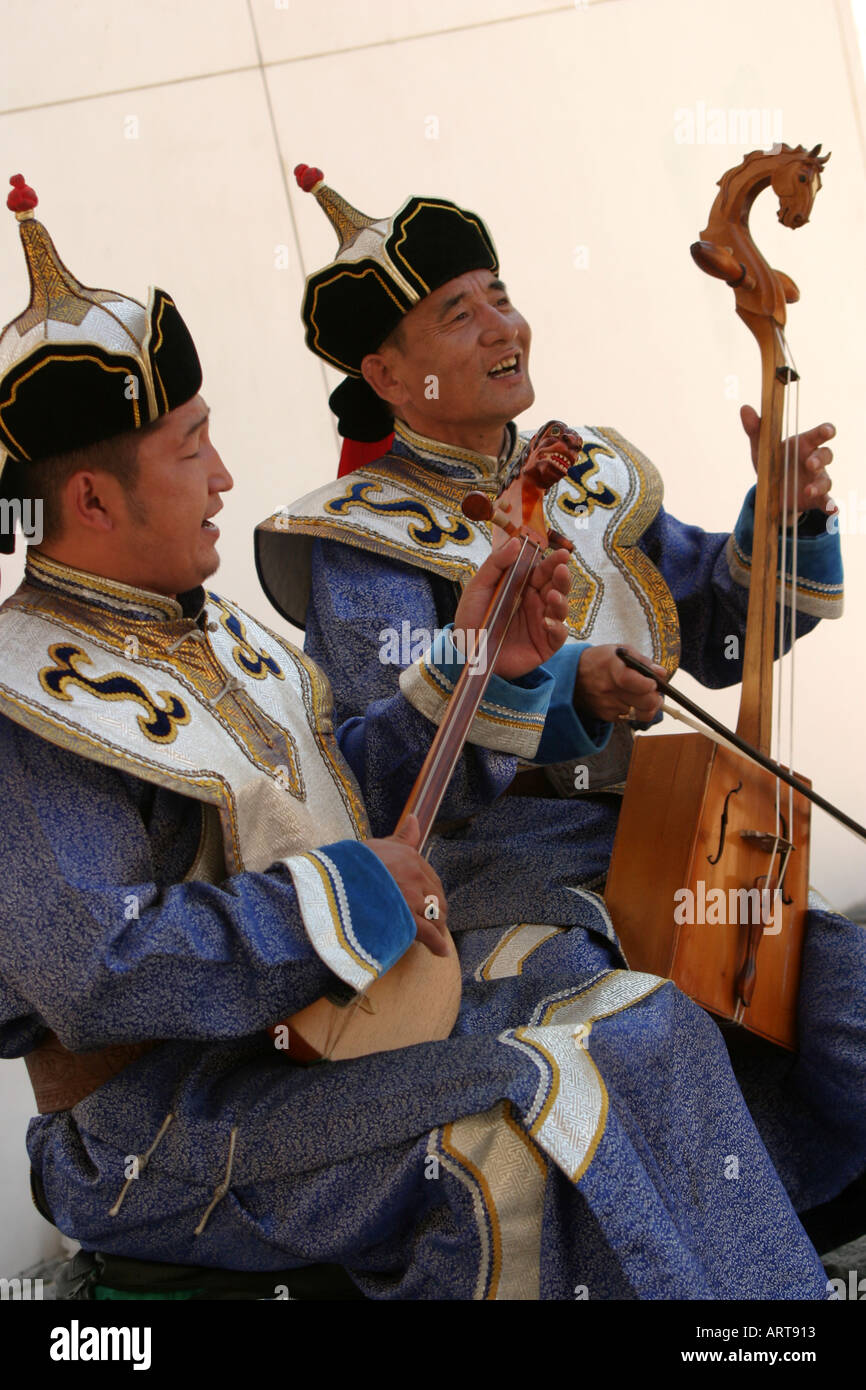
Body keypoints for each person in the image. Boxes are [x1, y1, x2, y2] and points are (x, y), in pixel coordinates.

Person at [255, 163, 866, 1233]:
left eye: (500, 296)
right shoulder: (357, 542)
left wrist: (774, 518)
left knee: (843, 980)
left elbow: (717, 633)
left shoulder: (577, 476)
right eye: (459, 312)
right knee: (636, 1026)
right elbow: (377, 773)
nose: (502, 326)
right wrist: (556, 678)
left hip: (661, 841)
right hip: (503, 882)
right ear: (386, 373)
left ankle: (811, 1218)